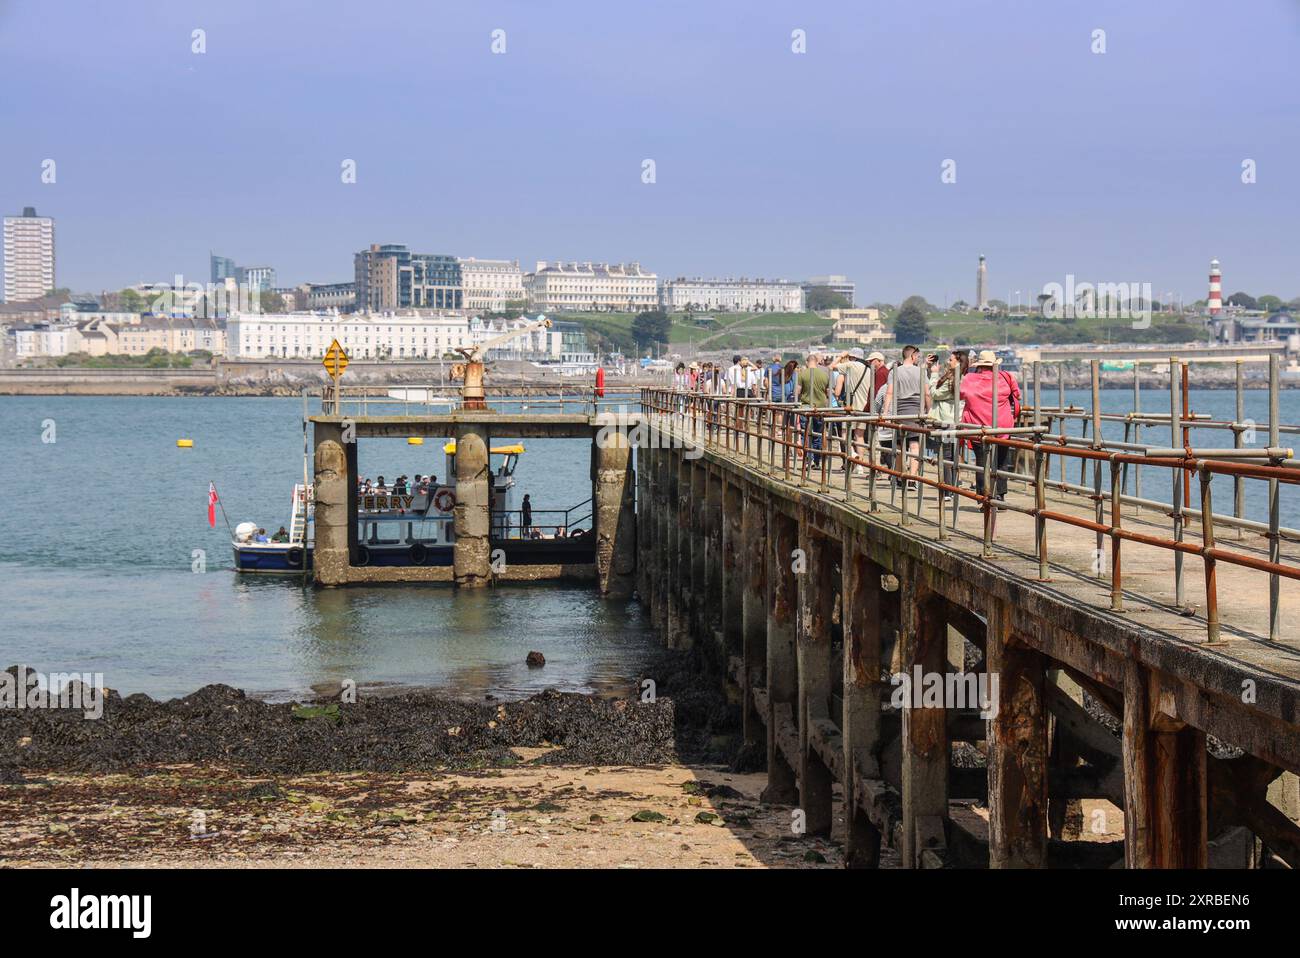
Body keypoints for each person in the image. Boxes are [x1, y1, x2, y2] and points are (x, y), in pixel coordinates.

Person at [960, 349, 1022, 499]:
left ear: (979, 365)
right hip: (1002, 426)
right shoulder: (1006, 377)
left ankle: (984, 496)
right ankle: (1000, 494)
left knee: (982, 462)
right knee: (1001, 460)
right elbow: (1017, 395)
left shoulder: (969, 379)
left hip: (977, 426)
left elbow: (961, 394)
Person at [882, 345, 931, 486]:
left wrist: (885, 412)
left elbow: (889, 392)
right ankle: (912, 478)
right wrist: (929, 410)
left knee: (899, 445)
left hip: (900, 411)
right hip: (916, 410)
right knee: (914, 444)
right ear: (913, 356)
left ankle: (898, 476)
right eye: (918, 356)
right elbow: (927, 393)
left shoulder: (895, 371)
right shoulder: (921, 372)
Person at [929, 351, 968, 499]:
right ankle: (954, 485)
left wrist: (933, 375)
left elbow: (935, 394)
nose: (948, 361)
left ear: (958, 362)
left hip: (946, 421)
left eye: (951, 360)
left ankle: (948, 489)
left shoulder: (952, 379)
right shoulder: (964, 378)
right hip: (956, 420)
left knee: (945, 455)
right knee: (953, 454)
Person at [794, 351, 831, 468]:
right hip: (820, 408)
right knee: (818, 435)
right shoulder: (825, 374)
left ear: (807, 362)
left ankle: (806, 461)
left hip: (805, 408)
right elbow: (829, 392)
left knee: (806, 434)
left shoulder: (802, 374)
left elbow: (797, 392)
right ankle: (817, 461)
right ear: (816, 362)